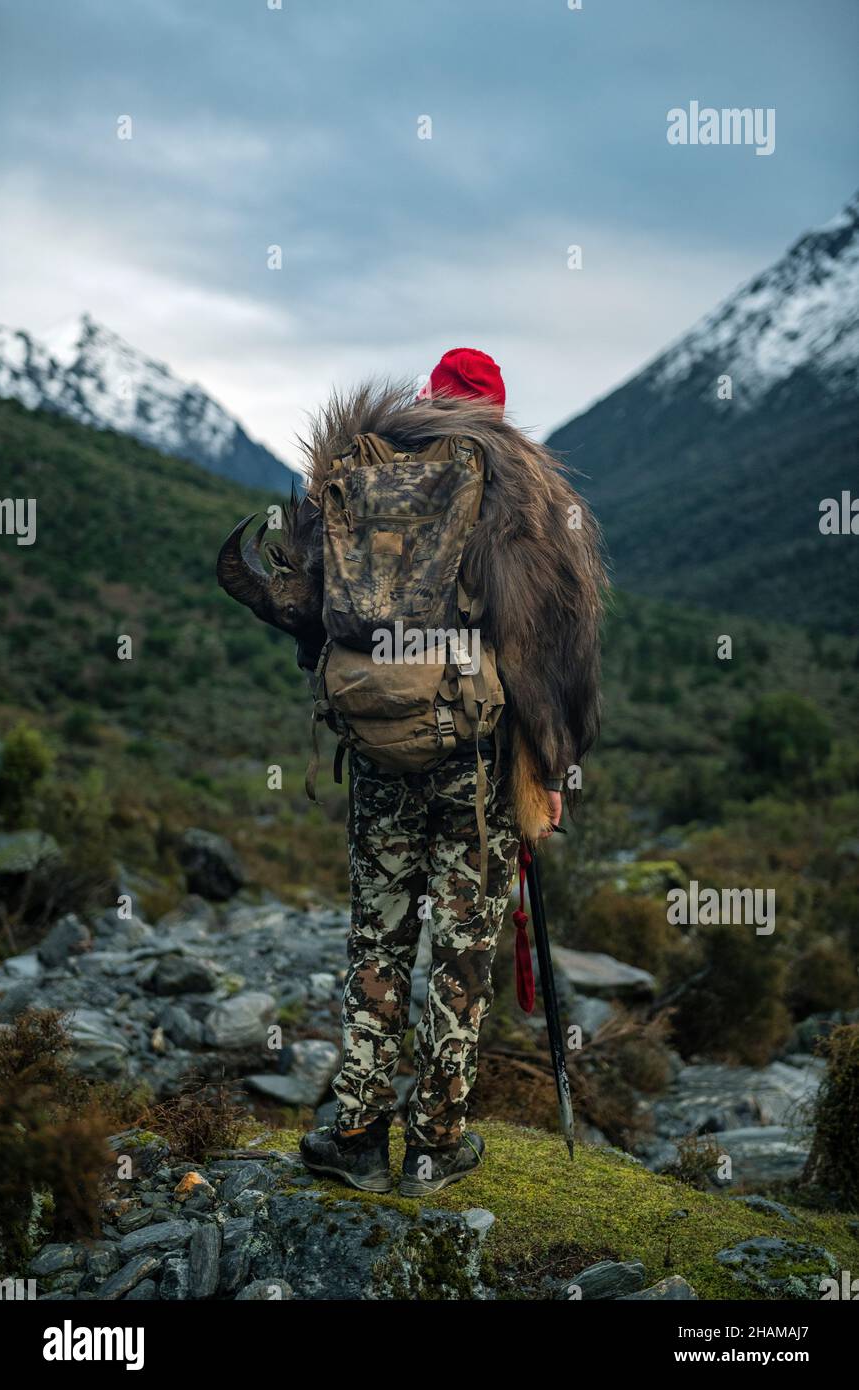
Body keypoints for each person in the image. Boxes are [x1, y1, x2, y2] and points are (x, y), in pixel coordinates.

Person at [296, 348, 606, 1194]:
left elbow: (312, 613)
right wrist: (553, 763)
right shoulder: (522, 485)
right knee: (460, 946)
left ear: (430, 396)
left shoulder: (360, 464)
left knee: (380, 933)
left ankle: (355, 1128)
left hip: (380, 749)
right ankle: (436, 1142)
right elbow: (553, 645)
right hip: (479, 759)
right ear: (497, 407)